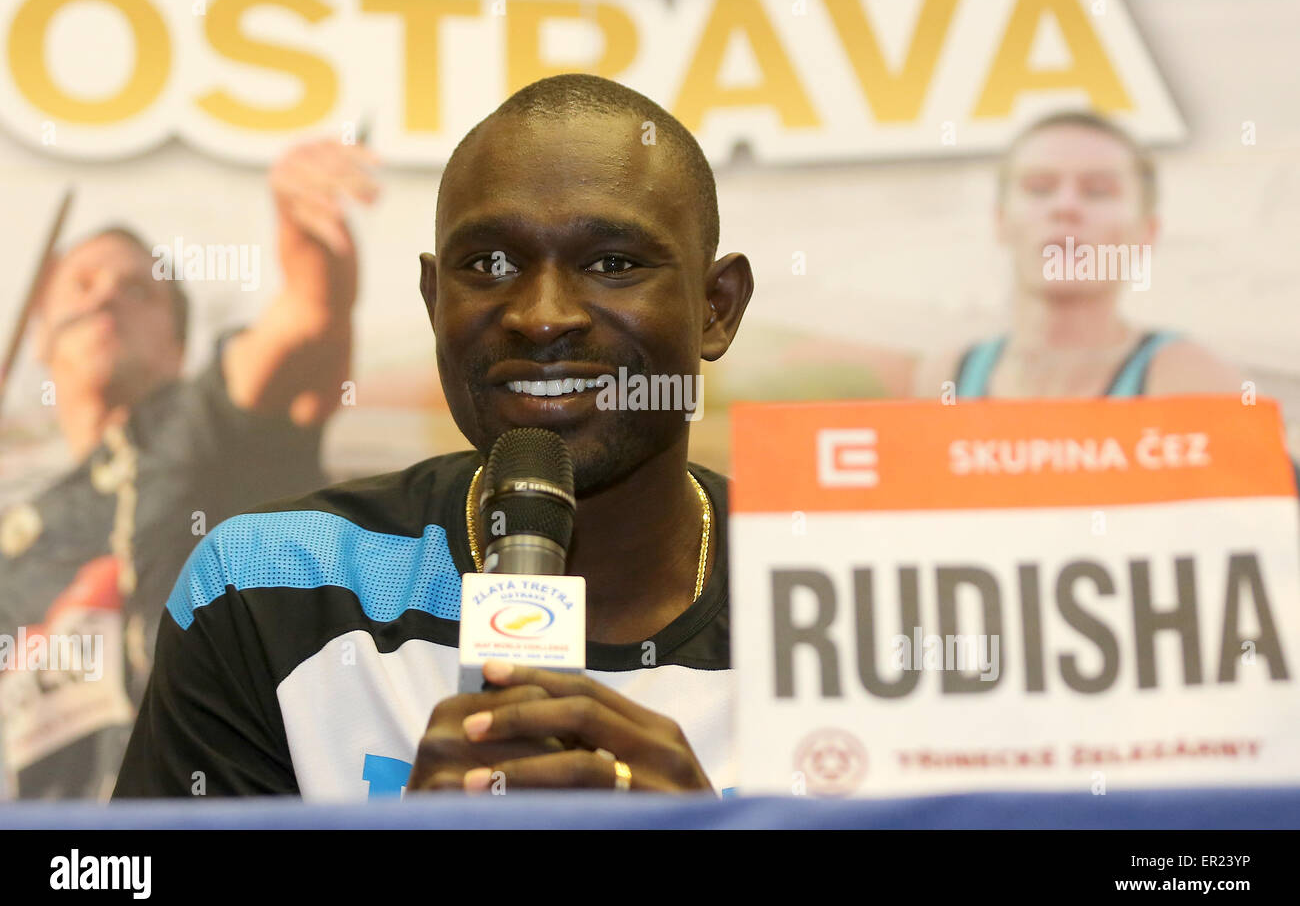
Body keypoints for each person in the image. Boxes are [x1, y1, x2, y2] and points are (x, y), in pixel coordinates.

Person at [113, 73, 754, 799]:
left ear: (716, 308)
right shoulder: (268, 587)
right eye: (489, 265)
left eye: (612, 264)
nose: (541, 316)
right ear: (434, 299)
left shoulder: (843, 600)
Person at [0, 139, 378, 799]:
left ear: (176, 346)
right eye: (82, 285)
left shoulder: (199, 428)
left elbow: (307, 324)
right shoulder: (17, 528)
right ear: (41, 333)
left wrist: (307, 242)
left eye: (138, 290)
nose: (107, 298)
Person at [910, 111, 1243, 399]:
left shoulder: (1188, 379)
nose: (1065, 207)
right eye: (1039, 188)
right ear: (1001, 221)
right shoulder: (947, 378)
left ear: (1147, 232)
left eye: (1098, 191)